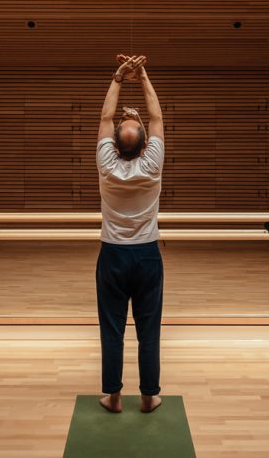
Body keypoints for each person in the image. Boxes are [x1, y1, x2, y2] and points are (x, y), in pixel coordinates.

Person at [95, 52, 165, 414]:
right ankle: (150, 395)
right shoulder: (152, 165)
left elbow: (106, 116)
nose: (126, 117)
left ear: (116, 145)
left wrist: (120, 77)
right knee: (148, 328)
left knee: (113, 328)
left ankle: (114, 395)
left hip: (113, 255)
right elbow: (156, 116)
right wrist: (143, 76)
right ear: (144, 143)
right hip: (147, 255)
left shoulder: (107, 165)